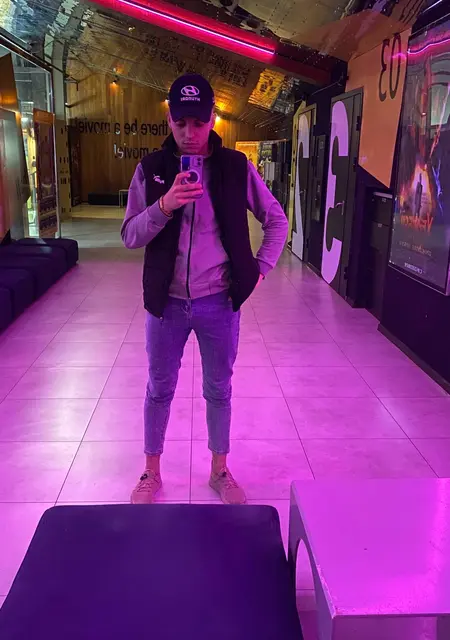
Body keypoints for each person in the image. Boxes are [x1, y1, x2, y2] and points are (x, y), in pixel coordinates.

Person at [121, 73, 288, 505]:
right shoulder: (151, 169)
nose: (190, 133)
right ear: (170, 120)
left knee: (219, 389)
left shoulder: (235, 167)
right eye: (180, 123)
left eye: (198, 122)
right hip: (166, 304)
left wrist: (259, 270)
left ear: (212, 118)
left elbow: (276, 220)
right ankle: (151, 471)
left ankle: (220, 470)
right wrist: (164, 206)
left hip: (219, 302)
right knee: (159, 388)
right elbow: (130, 235)